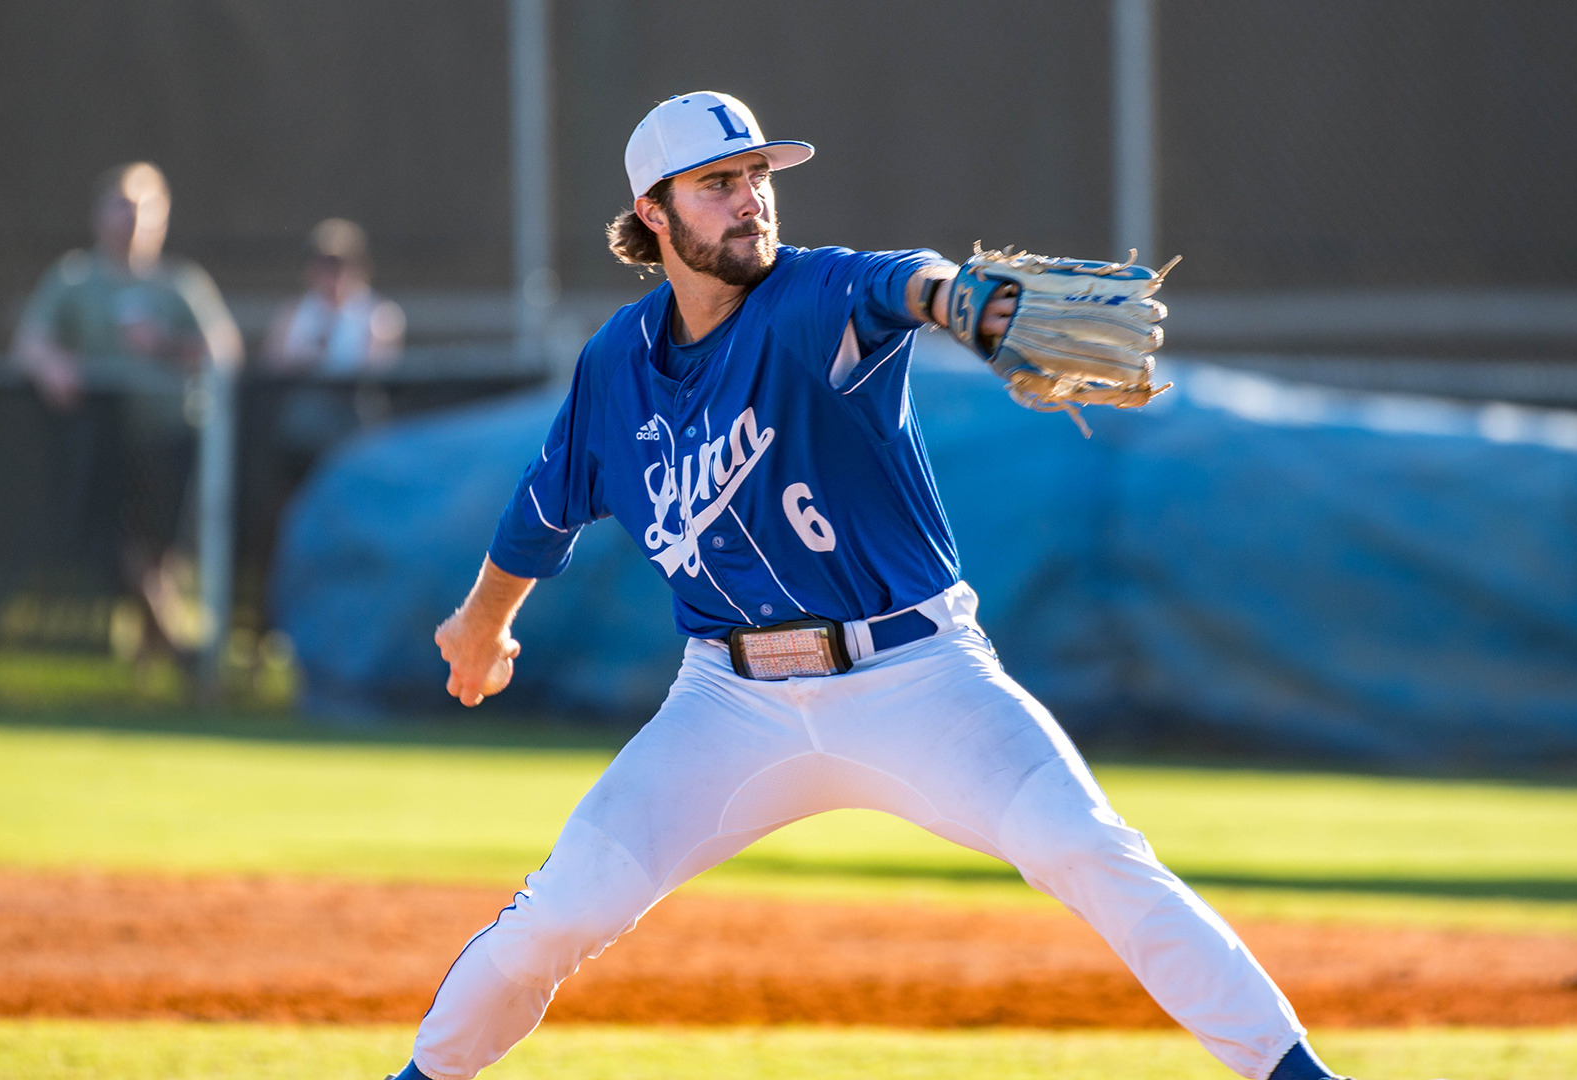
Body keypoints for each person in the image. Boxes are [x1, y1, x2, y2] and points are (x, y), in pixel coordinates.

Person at [400, 93, 1347, 1080]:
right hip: (730, 702)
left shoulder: (814, 297)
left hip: (920, 679)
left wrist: (961, 301)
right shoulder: (616, 367)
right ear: (654, 213)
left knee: (1090, 851)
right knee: (563, 909)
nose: (750, 200)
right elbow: (542, 512)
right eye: (719, 184)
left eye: (759, 177)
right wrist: (480, 626)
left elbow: (908, 286)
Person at [11, 162, 242, 656]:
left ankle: (157, 658)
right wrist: (54, 366)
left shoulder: (179, 283)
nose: (131, 220)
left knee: (160, 554)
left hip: (169, 436)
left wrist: (166, 346)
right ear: (99, 215)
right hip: (101, 441)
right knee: (116, 545)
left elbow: (223, 352)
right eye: (120, 206)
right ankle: (175, 647)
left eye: (142, 209)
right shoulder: (74, 279)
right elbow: (30, 341)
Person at [261, 218, 403, 374]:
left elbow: (377, 370)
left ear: (359, 267)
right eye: (325, 265)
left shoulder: (380, 315)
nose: (333, 275)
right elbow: (273, 365)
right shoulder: (291, 312)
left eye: (340, 266)